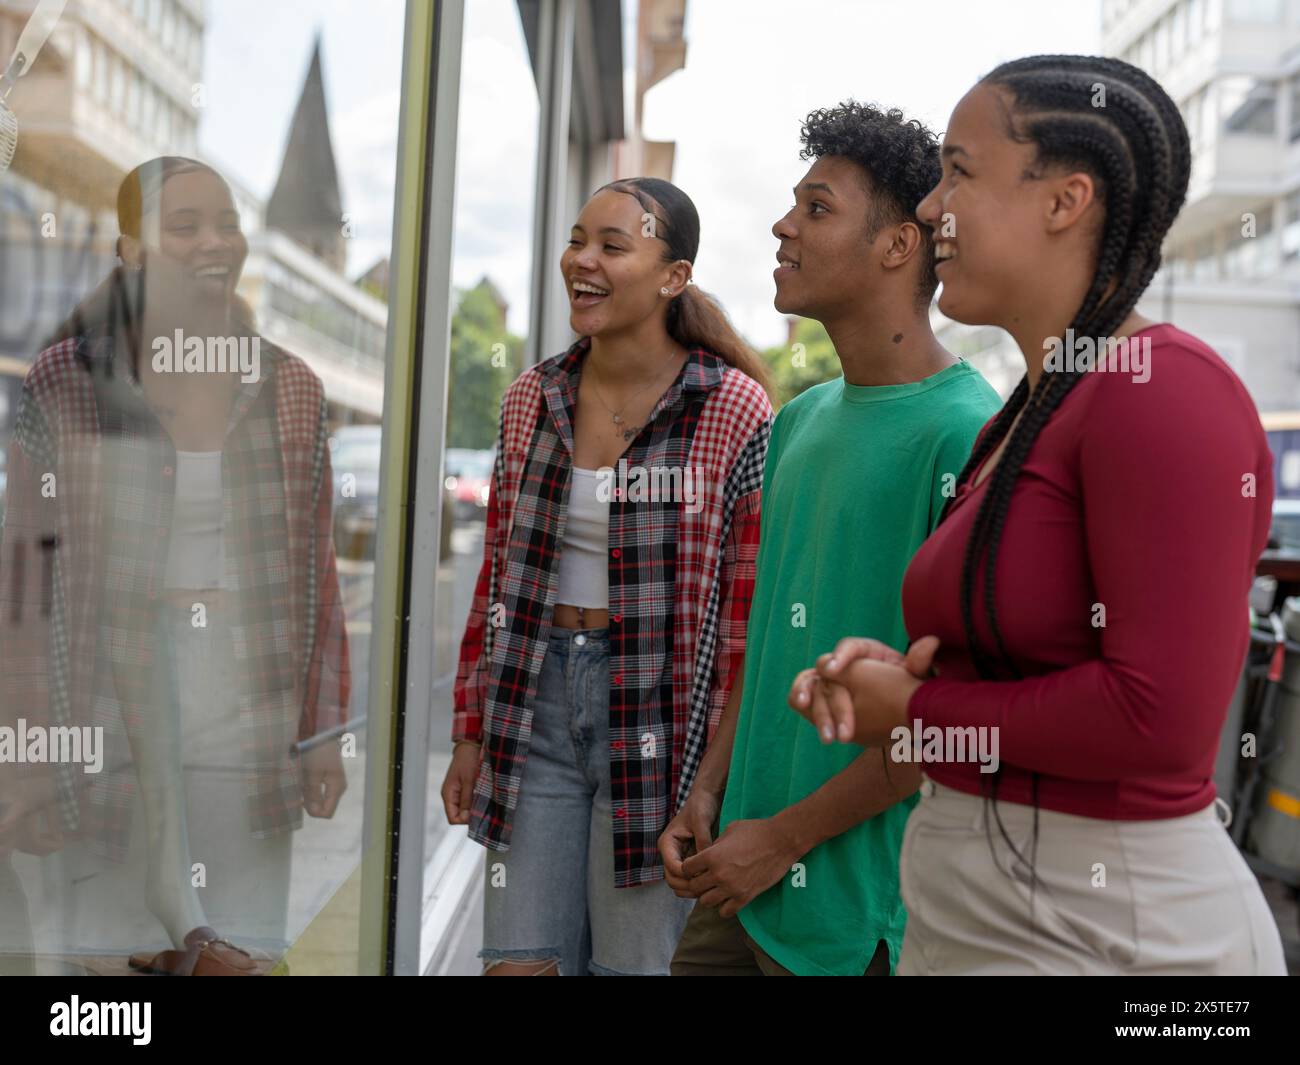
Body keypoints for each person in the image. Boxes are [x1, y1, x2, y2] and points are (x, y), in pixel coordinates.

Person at [791, 55, 1288, 975]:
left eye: (960, 171)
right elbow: (1039, 658)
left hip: (1118, 936)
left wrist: (918, 712)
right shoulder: (1037, 401)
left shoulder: (1163, 392)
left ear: (1065, 201)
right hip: (1004, 915)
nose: (933, 206)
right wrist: (900, 675)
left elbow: (1159, 719)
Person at [663, 103, 1001, 976]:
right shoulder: (797, 422)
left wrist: (783, 838)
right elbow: (767, 638)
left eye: (816, 208)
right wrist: (708, 788)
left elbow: (949, 718)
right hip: (737, 874)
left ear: (898, 246)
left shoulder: (968, 435)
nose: (784, 226)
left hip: (855, 917)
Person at [0, 156, 350, 975]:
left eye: (226, 223)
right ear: (132, 250)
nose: (213, 242)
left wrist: (324, 731)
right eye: (184, 226)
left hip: (249, 708)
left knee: (236, 945)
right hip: (105, 695)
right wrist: (23, 750)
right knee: (113, 962)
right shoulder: (68, 381)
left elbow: (317, 573)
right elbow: (20, 583)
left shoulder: (289, 386)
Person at [441, 177, 774, 976]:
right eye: (577, 239)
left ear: (673, 276)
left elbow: (746, 626)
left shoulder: (734, 409)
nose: (582, 260)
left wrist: (711, 783)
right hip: (533, 709)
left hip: (658, 726)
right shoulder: (533, 397)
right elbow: (497, 579)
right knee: (516, 962)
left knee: (631, 967)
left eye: (612, 246)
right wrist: (469, 730)